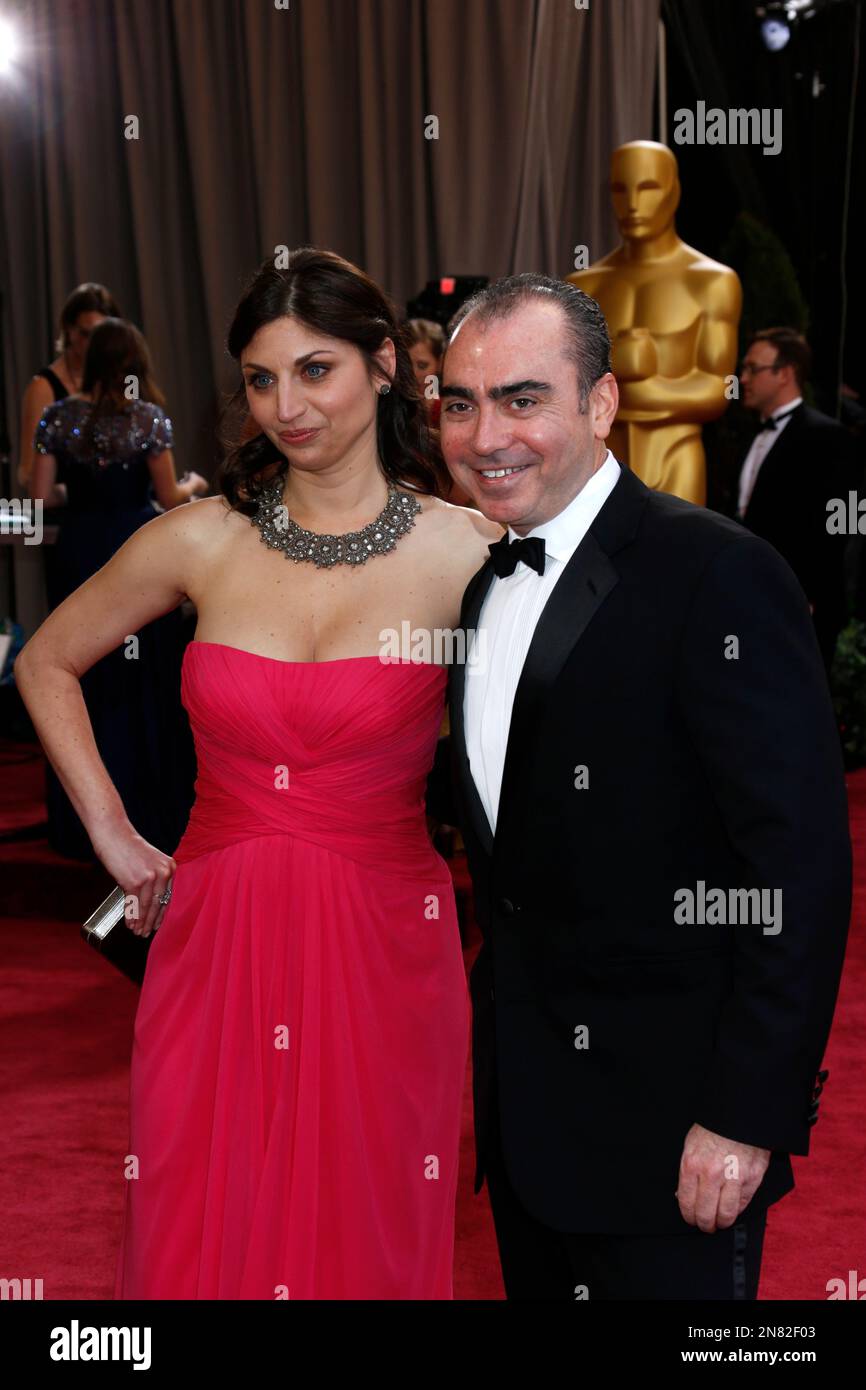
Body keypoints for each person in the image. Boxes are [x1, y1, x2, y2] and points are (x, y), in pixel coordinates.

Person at [15, 248, 501, 1299]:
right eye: (262, 377)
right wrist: (110, 830)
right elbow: (44, 658)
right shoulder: (200, 539)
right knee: (203, 1216)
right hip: (214, 937)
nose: (287, 405)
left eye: (315, 370)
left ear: (383, 366)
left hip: (384, 947)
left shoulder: (467, 551)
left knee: (362, 1227)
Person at [436, 274, 852, 1300]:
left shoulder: (716, 575)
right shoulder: (474, 582)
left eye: (521, 398)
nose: (483, 433)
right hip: (529, 1129)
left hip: (676, 1137)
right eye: (457, 402)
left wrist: (746, 1113)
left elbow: (794, 870)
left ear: (600, 403)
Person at [28, 318, 207, 860]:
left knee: (73, 674)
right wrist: (196, 485)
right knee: (144, 681)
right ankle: (149, 814)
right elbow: (171, 498)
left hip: (79, 546)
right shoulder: (147, 419)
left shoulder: (57, 417)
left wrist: (81, 489)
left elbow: (38, 499)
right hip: (134, 547)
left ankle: (79, 821)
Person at [736, 328, 860, 673]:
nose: (742, 378)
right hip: (751, 599)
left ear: (785, 374)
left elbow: (846, 521)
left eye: (753, 369)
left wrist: (809, 595)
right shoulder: (753, 437)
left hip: (804, 610)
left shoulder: (829, 438)